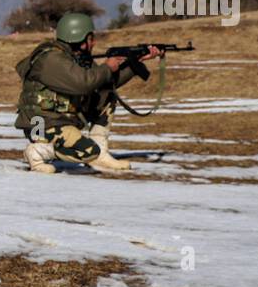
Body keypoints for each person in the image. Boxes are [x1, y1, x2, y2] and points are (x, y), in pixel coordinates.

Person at [13, 12, 160, 173]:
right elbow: (83, 84)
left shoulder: (74, 58)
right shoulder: (50, 60)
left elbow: (102, 82)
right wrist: (107, 67)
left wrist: (134, 63)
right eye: (91, 38)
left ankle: (100, 154)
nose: (94, 43)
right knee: (90, 152)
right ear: (79, 38)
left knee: (107, 96)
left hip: (59, 120)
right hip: (40, 126)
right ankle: (38, 151)